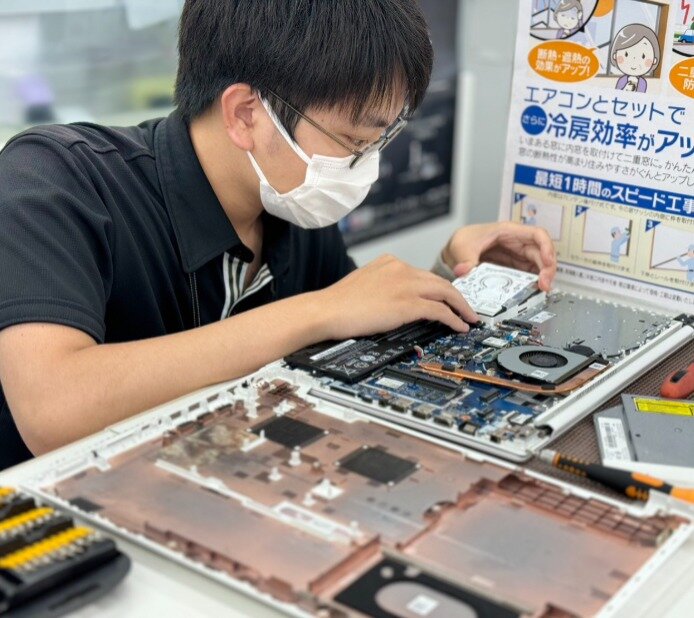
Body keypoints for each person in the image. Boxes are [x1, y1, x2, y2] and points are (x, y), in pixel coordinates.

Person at [0, 0, 556, 469]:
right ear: (246, 114)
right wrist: (319, 310)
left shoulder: (290, 206)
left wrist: (446, 278)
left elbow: (351, 340)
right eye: (352, 141)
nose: (367, 167)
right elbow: (54, 410)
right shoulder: (55, 180)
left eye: (379, 142)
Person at [611, 24, 661, 93]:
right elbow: (616, 93)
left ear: (654, 60)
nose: (634, 60)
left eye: (643, 56)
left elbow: (641, 96)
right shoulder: (622, 80)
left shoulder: (642, 82)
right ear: (615, 56)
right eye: (626, 54)